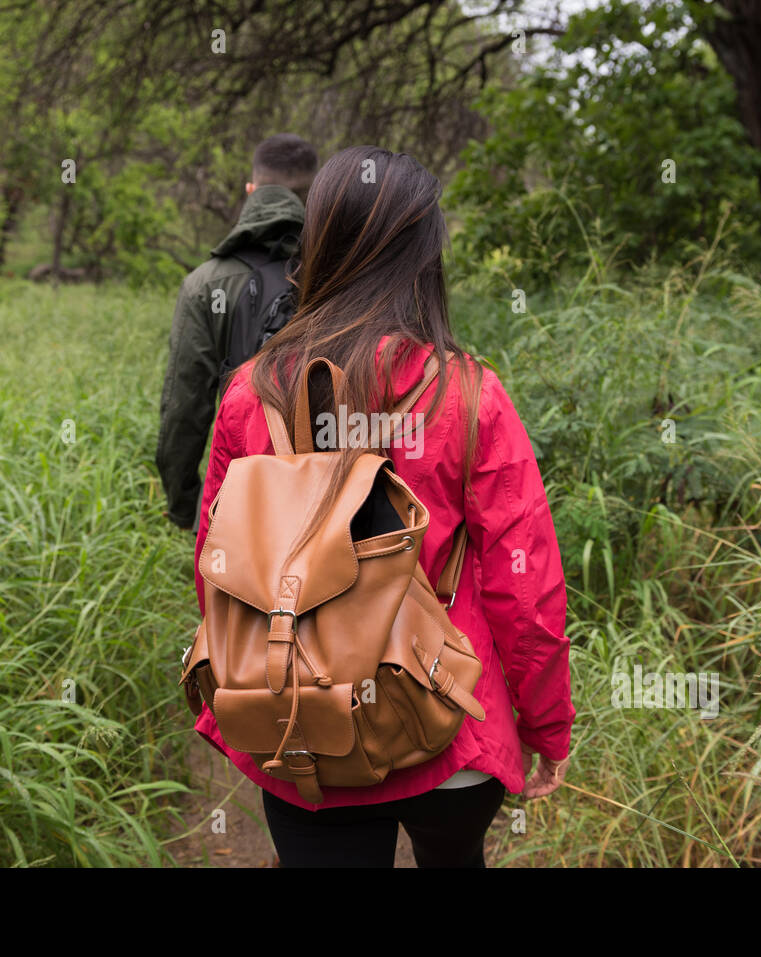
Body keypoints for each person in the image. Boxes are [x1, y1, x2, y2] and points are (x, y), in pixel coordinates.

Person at [190, 145, 574, 868]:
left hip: (303, 720)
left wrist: (232, 685)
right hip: (448, 725)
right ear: (425, 256)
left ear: (320, 240)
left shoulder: (252, 394)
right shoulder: (467, 394)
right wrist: (546, 726)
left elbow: (217, 568)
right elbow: (526, 590)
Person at [156, 133, 318, 532]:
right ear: (316, 196)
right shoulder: (345, 273)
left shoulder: (205, 284)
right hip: (332, 504)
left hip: (237, 502)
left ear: (251, 191)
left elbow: (184, 410)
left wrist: (186, 506)